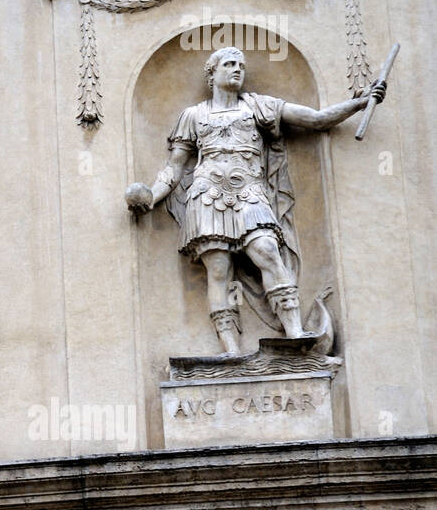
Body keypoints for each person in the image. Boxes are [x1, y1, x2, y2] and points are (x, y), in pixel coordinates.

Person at [127, 47, 384, 353]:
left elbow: (316, 119)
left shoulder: (259, 107)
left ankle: (295, 333)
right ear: (213, 73)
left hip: (249, 193)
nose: (237, 69)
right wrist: (151, 197)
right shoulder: (193, 115)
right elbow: (174, 167)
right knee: (219, 271)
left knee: (267, 251)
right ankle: (232, 351)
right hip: (207, 196)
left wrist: (359, 102)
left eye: (241, 65)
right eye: (230, 64)